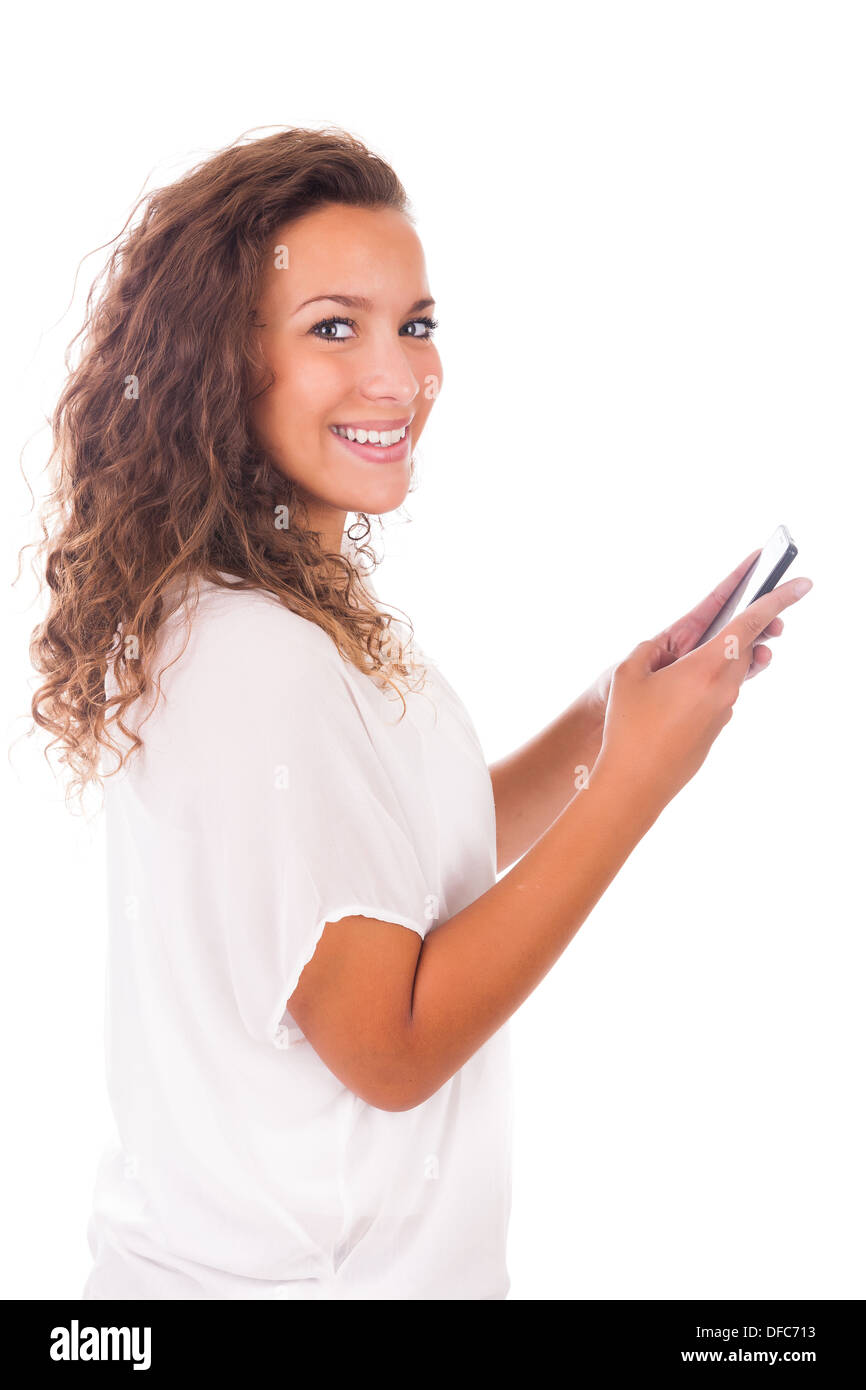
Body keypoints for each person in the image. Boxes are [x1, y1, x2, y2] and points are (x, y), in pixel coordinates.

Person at [27, 126, 813, 1301]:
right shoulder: (256, 658)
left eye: (417, 324)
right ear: (218, 364)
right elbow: (389, 1046)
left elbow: (402, 870)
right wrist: (642, 780)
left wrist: (613, 709)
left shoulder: (273, 614)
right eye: (332, 326)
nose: (397, 376)